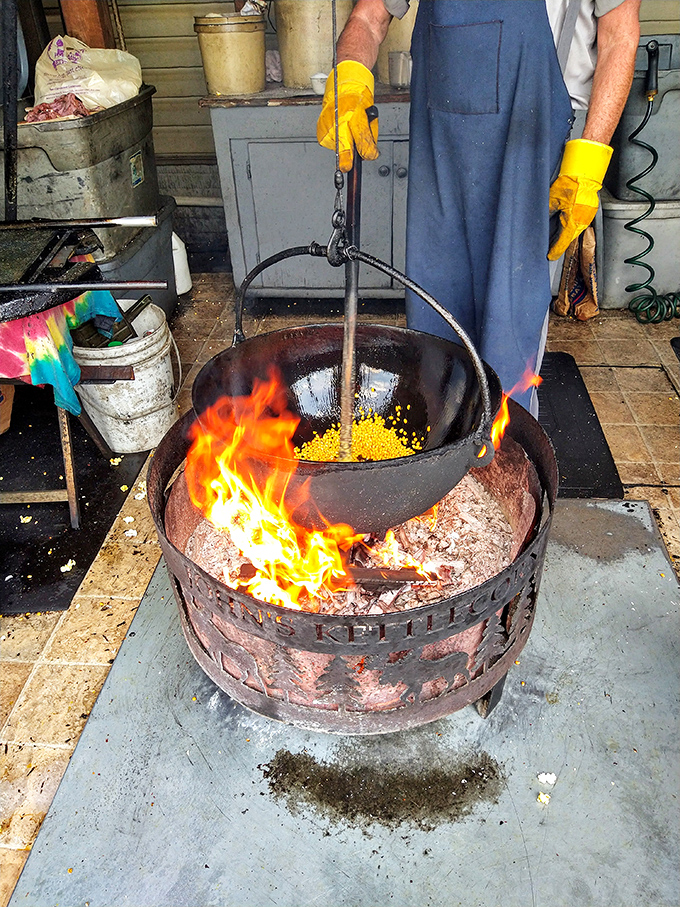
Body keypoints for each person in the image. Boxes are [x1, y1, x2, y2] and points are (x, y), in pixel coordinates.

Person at [317, 0, 641, 412]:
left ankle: (504, 460)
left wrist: (592, 158)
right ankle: (441, 453)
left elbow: (620, 36)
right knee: (435, 334)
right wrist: (350, 74)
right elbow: (367, 18)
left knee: (510, 335)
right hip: (441, 151)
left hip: (533, 146)